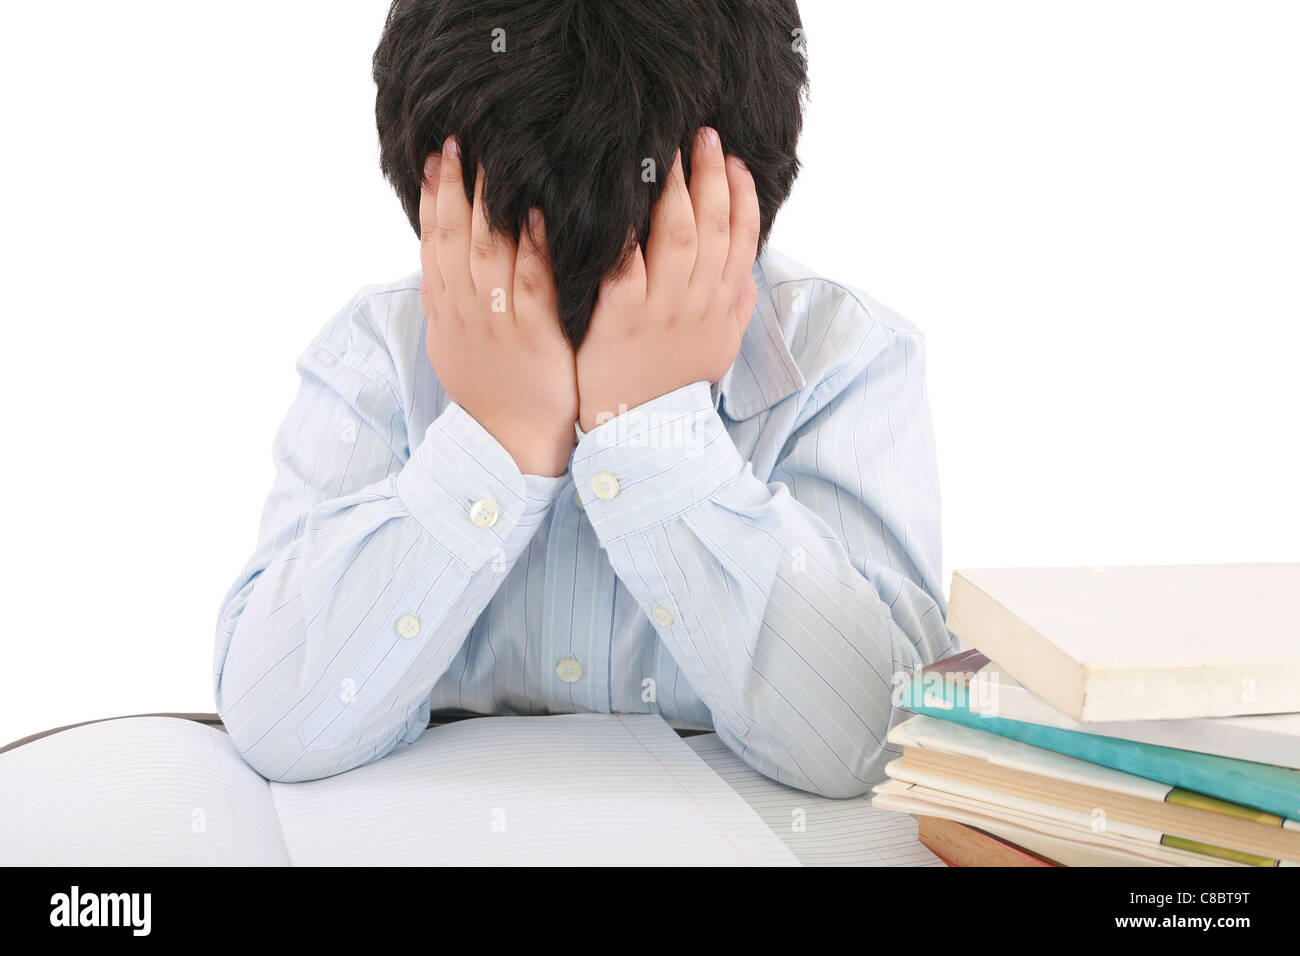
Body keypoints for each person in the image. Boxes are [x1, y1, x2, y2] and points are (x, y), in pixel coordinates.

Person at [213, 0, 952, 797]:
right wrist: (500, 439)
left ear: (735, 213)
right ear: (440, 211)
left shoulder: (843, 360)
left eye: (631, 271)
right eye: (522, 264)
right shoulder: (378, 354)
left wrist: (651, 427)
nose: (571, 320)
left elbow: (885, 742)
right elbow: (274, 717)